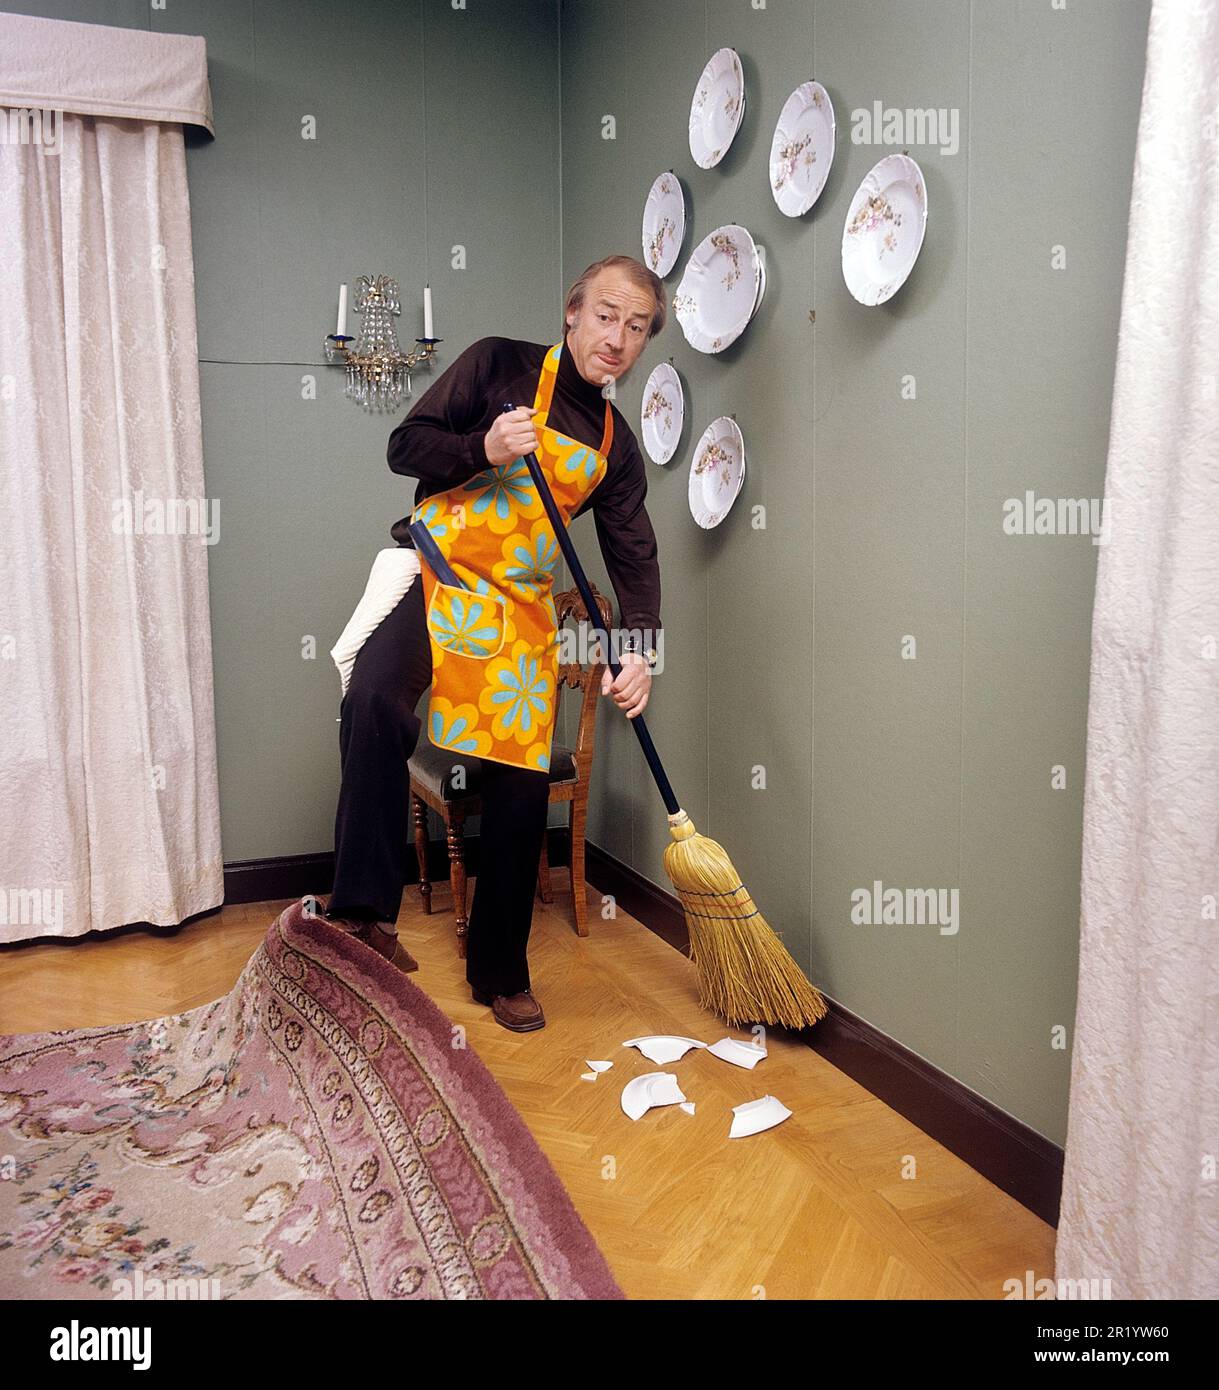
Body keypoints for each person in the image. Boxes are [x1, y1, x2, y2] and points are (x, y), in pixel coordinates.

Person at [319, 254, 665, 1032]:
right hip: (439, 571)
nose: (616, 336)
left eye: (636, 327)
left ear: (643, 345)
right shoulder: (495, 365)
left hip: (514, 609)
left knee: (518, 783)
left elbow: (632, 550)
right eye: (605, 314)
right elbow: (405, 446)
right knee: (373, 699)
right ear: (572, 313)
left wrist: (636, 648)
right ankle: (366, 912)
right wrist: (482, 447)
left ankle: (501, 971)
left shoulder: (615, 444)